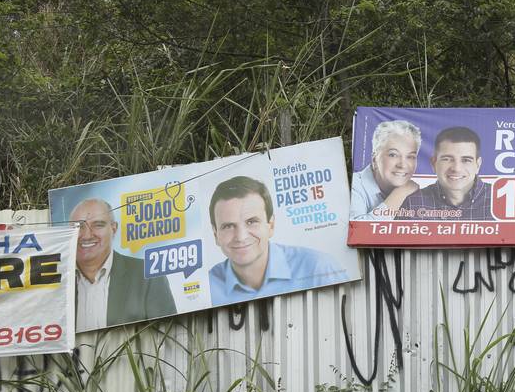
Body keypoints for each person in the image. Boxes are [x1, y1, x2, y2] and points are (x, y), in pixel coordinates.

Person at [208, 176, 349, 305]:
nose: (241, 237)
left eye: (251, 222)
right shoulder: (207, 286)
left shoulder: (319, 268)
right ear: (215, 235)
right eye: (228, 226)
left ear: (271, 225)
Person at [69, 198, 176, 332]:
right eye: (79, 227)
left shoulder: (148, 274)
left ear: (113, 228)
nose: (86, 235)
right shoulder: (58, 280)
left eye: (98, 225)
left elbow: (169, 333)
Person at [398, 127, 494, 221]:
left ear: (478, 165)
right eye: (447, 159)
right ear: (433, 163)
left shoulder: (501, 200)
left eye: (466, 160)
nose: (456, 168)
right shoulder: (412, 203)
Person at [350, 120, 421, 220]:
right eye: (393, 155)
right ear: (374, 159)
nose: (402, 165)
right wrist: (400, 194)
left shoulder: (418, 193)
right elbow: (358, 231)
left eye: (410, 156)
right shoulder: (354, 186)